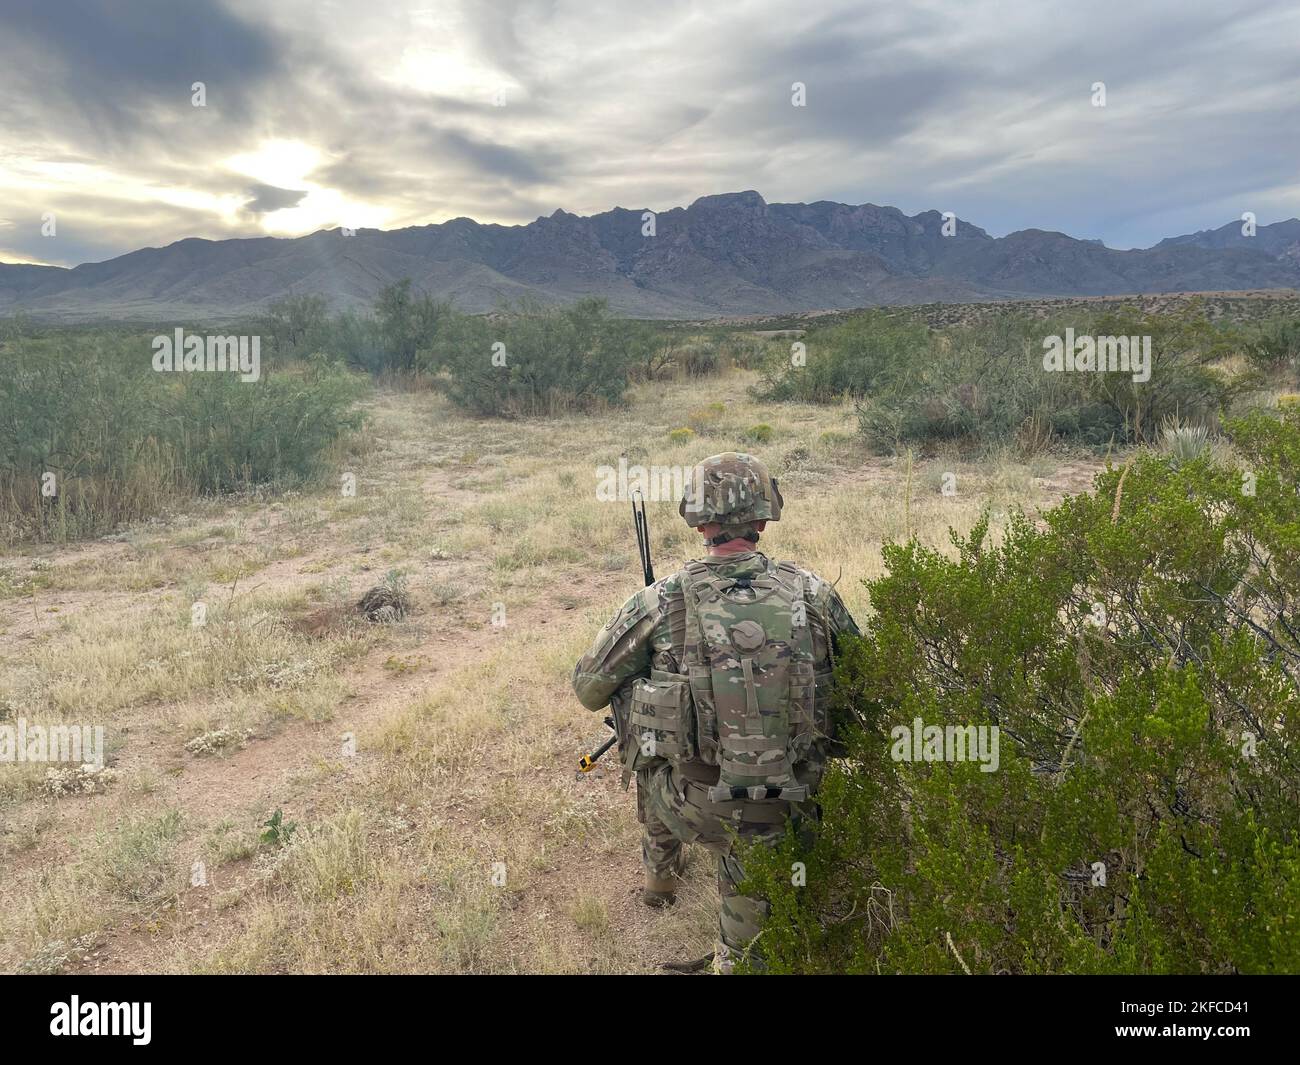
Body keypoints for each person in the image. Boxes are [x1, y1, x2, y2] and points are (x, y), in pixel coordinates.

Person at [572, 452, 859, 971]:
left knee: (642, 726)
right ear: (765, 517)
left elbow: (589, 688)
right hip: (796, 801)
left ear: (699, 522)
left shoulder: (660, 601)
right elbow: (867, 686)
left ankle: (660, 878)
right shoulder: (814, 594)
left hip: (695, 805)